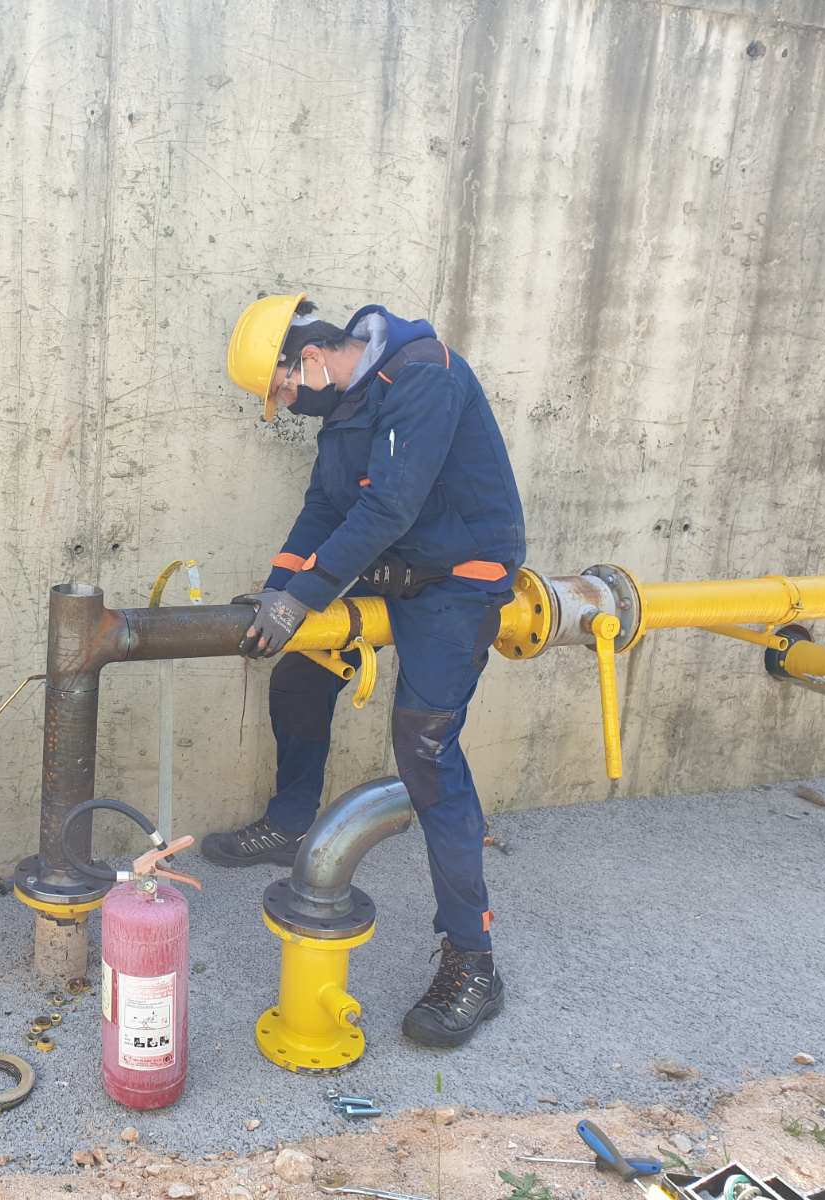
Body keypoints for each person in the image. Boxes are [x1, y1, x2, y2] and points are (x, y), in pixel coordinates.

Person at [204, 295, 526, 1048]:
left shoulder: (426, 375)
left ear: (309, 358)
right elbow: (325, 509)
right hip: (393, 573)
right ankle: (289, 824)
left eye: (283, 390)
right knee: (300, 678)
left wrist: (306, 596)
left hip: (457, 581)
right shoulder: (346, 409)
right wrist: (282, 592)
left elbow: (388, 510)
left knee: (426, 750)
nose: (287, 405)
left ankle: (473, 961)